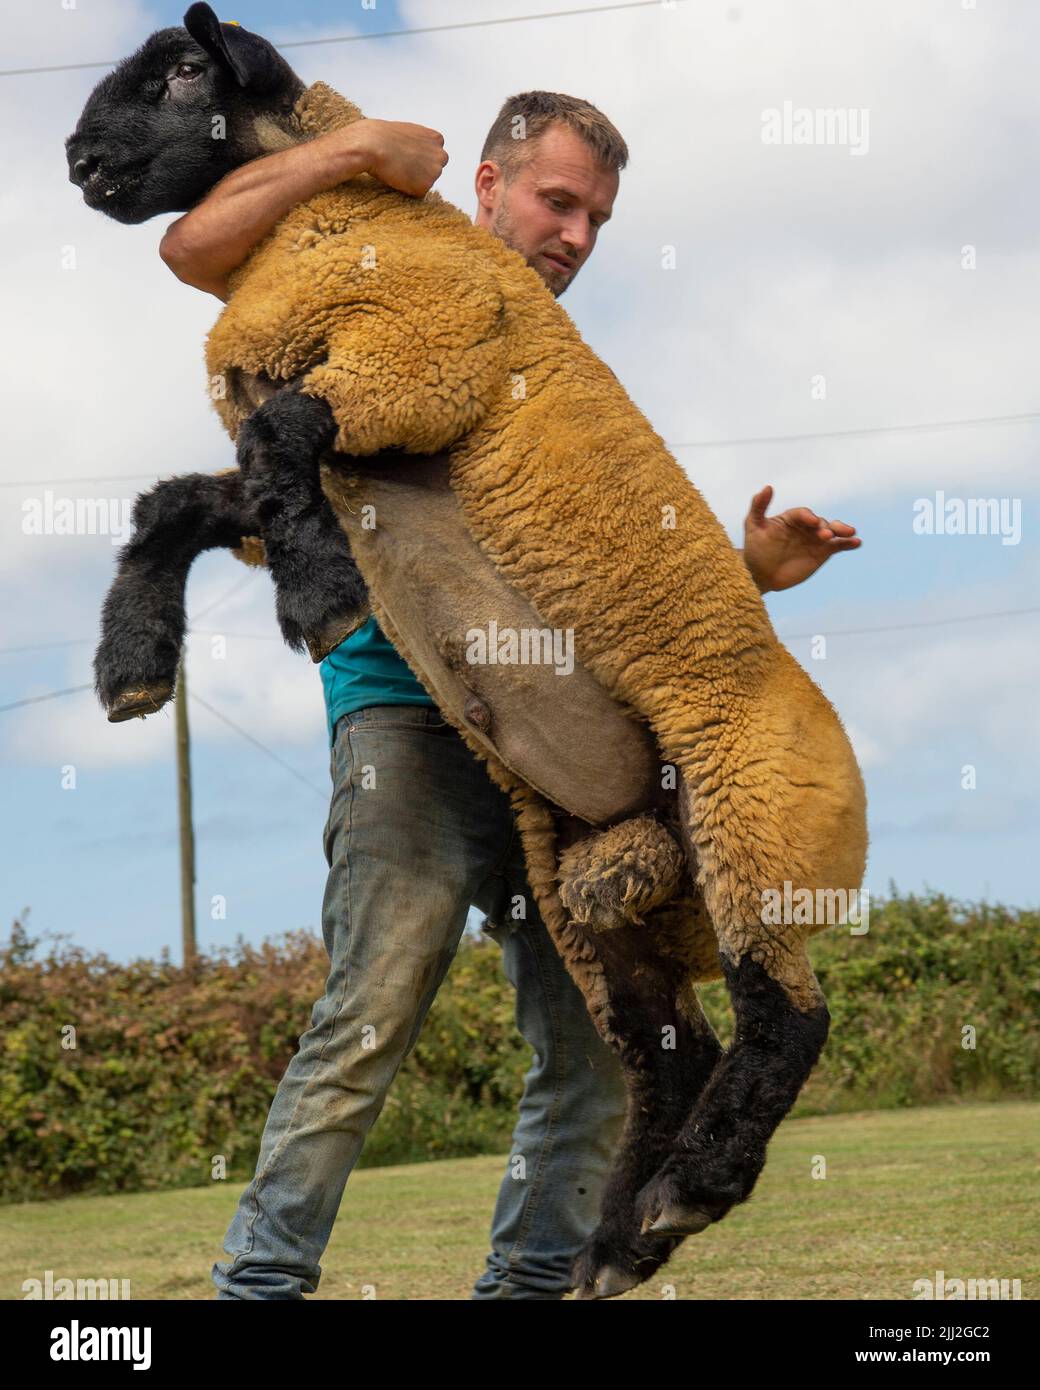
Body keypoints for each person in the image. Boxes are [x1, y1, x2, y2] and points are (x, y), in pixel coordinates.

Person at [161, 90, 861, 1300]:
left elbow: (599, 571)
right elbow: (190, 250)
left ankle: (539, 1286)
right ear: (484, 187)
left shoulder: (556, 370)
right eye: (556, 200)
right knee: (369, 1011)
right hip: (404, 721)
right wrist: (360, 152)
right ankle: (260, 1284)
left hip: (568, 757)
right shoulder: (372, 273)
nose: (577, 234)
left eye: (597, 217)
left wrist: (745, 576)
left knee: (600, 1050)